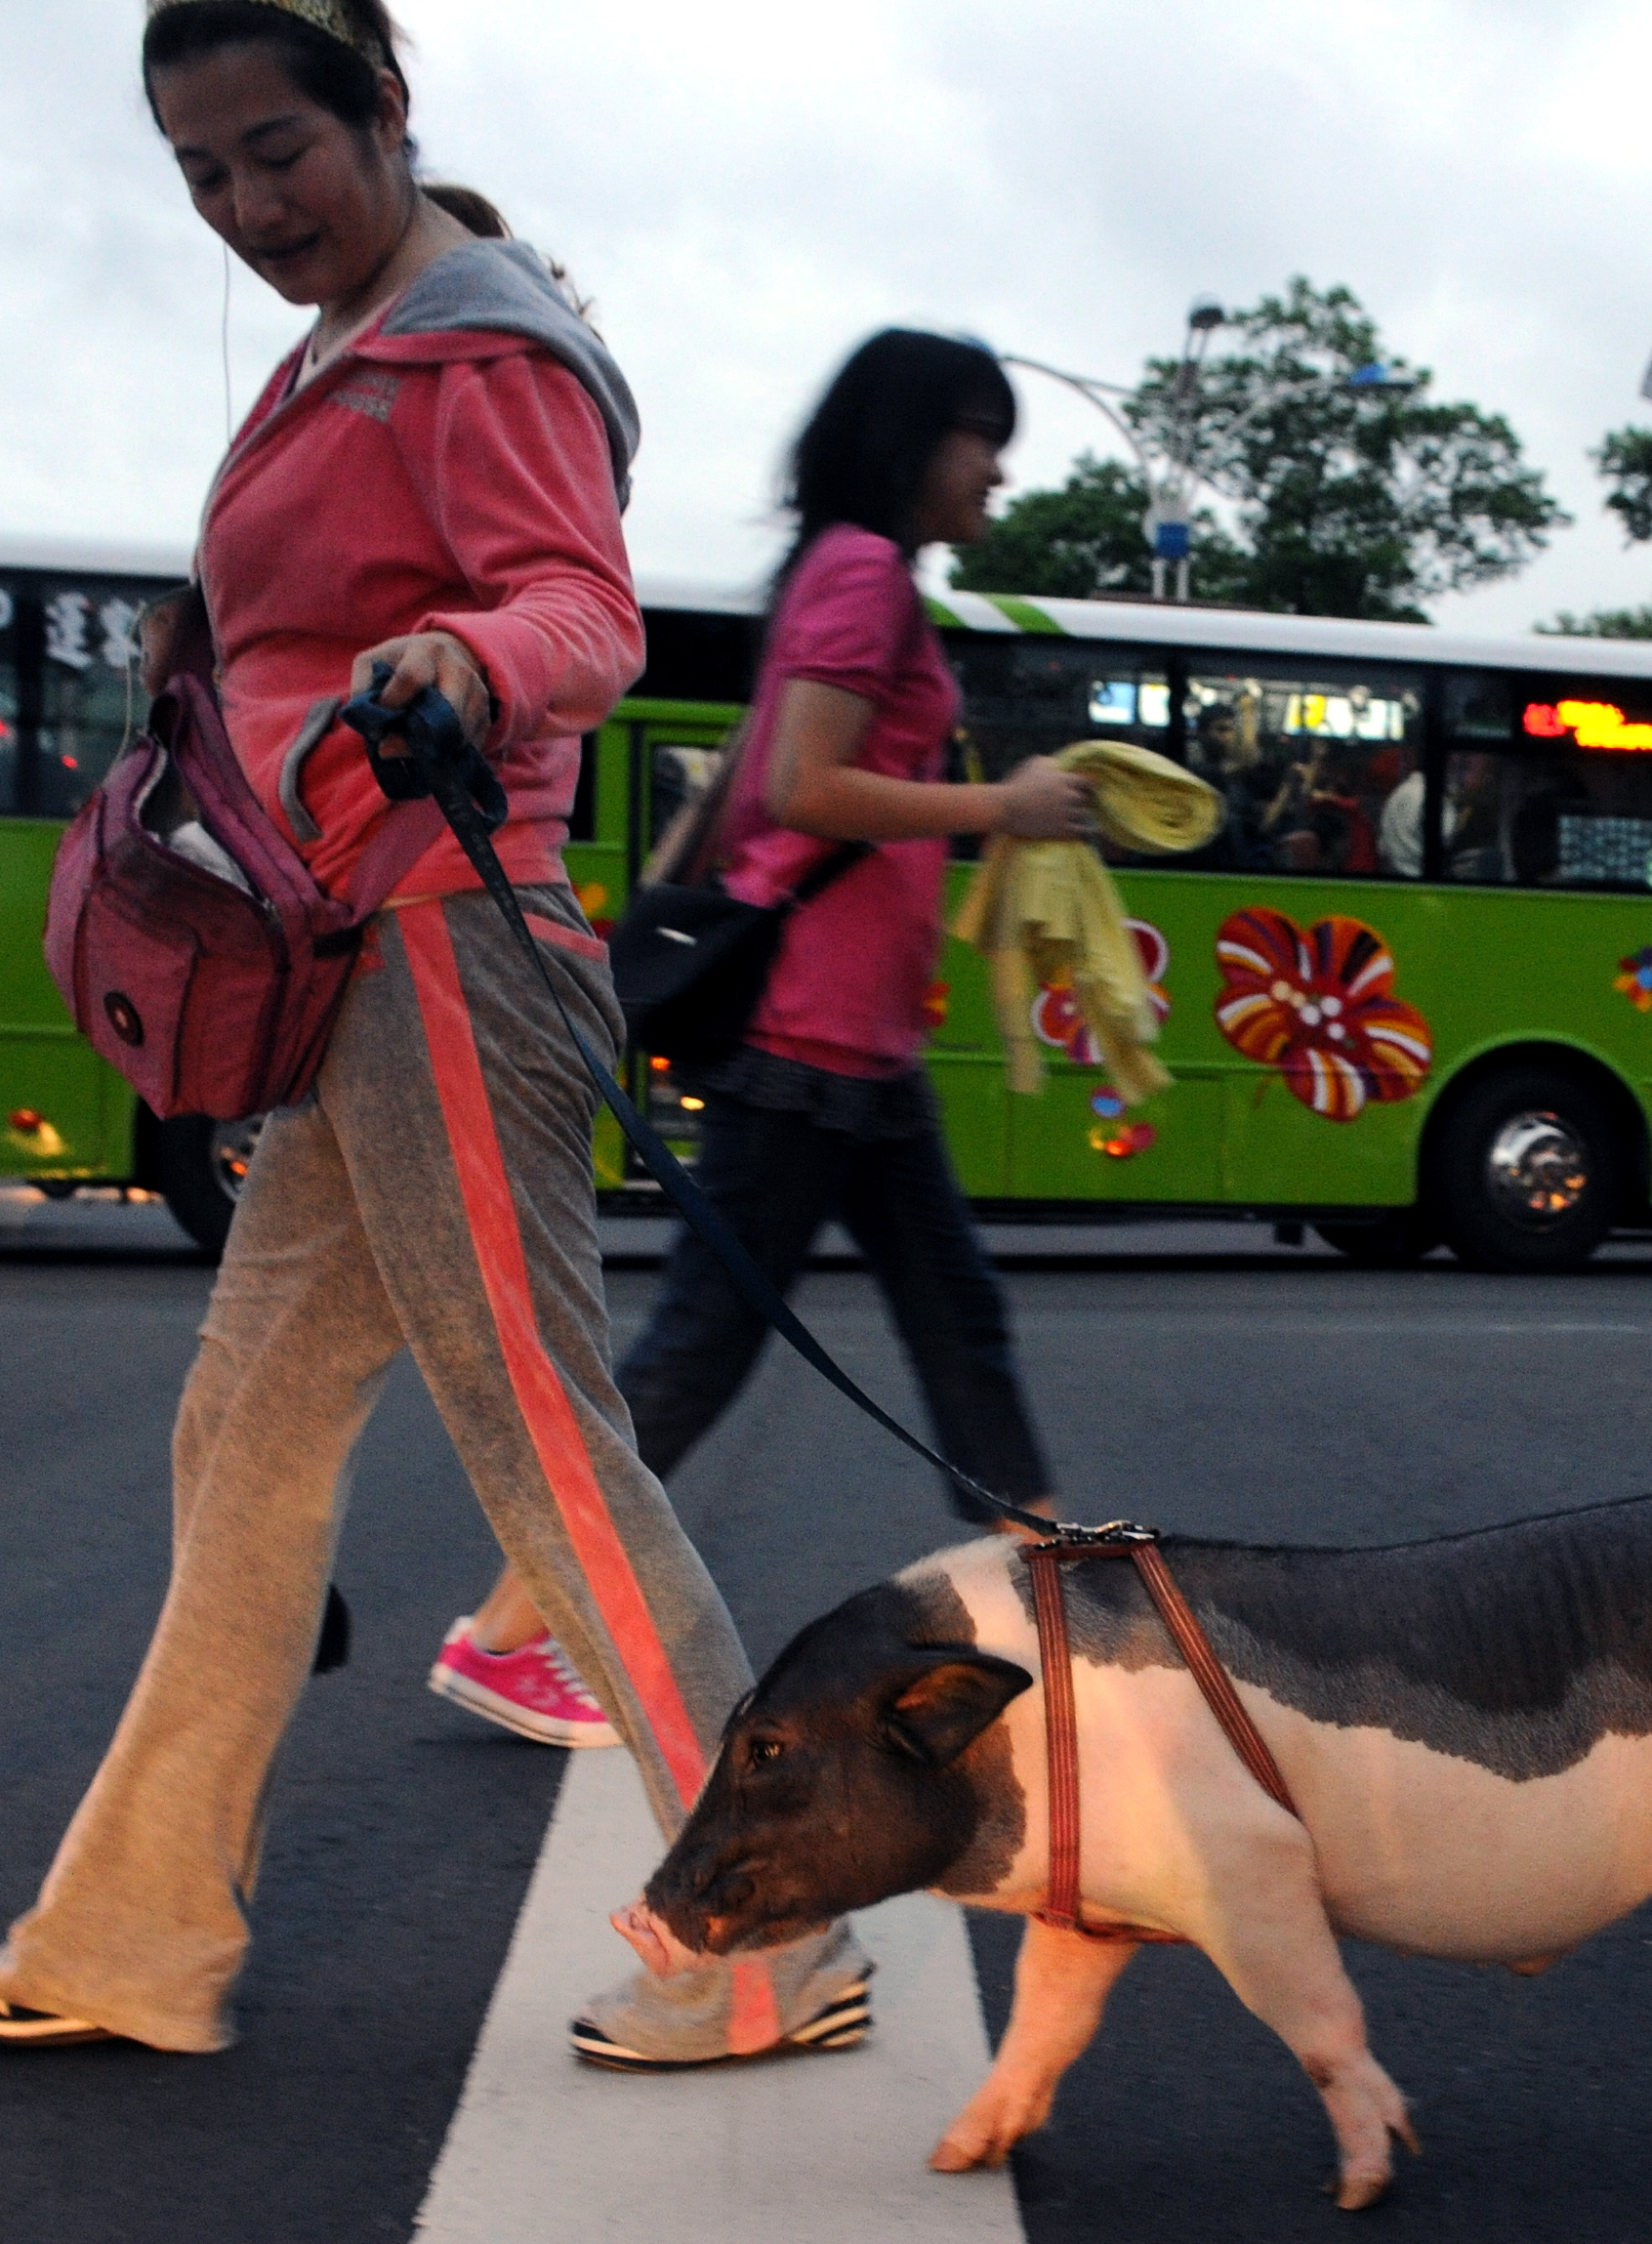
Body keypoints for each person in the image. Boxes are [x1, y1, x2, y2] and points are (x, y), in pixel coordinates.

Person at [0, 0, 872, 2069]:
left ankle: (768, 1928)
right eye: (198, 174)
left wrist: (460, 645)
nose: (246, 205)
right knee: (244, 1438)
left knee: (548, 1461)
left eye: (279, 150)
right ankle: (128, 1934)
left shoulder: (479, 341)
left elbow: (586, 611)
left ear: (383, 110)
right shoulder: (341, 354)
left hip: (441, 943)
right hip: (346, 960)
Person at [427, 329, 1093, 1757]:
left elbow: (745, 785)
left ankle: (1059, 1592)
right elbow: (804, 783)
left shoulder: (847, 574)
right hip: (807, 1045)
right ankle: (501, 1631)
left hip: (856, 1045)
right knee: (697, 1356)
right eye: (982, 433)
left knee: (954, 1309)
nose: (1000, 466)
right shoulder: (861, 573)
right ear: (912, 440)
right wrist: (1004, 809)